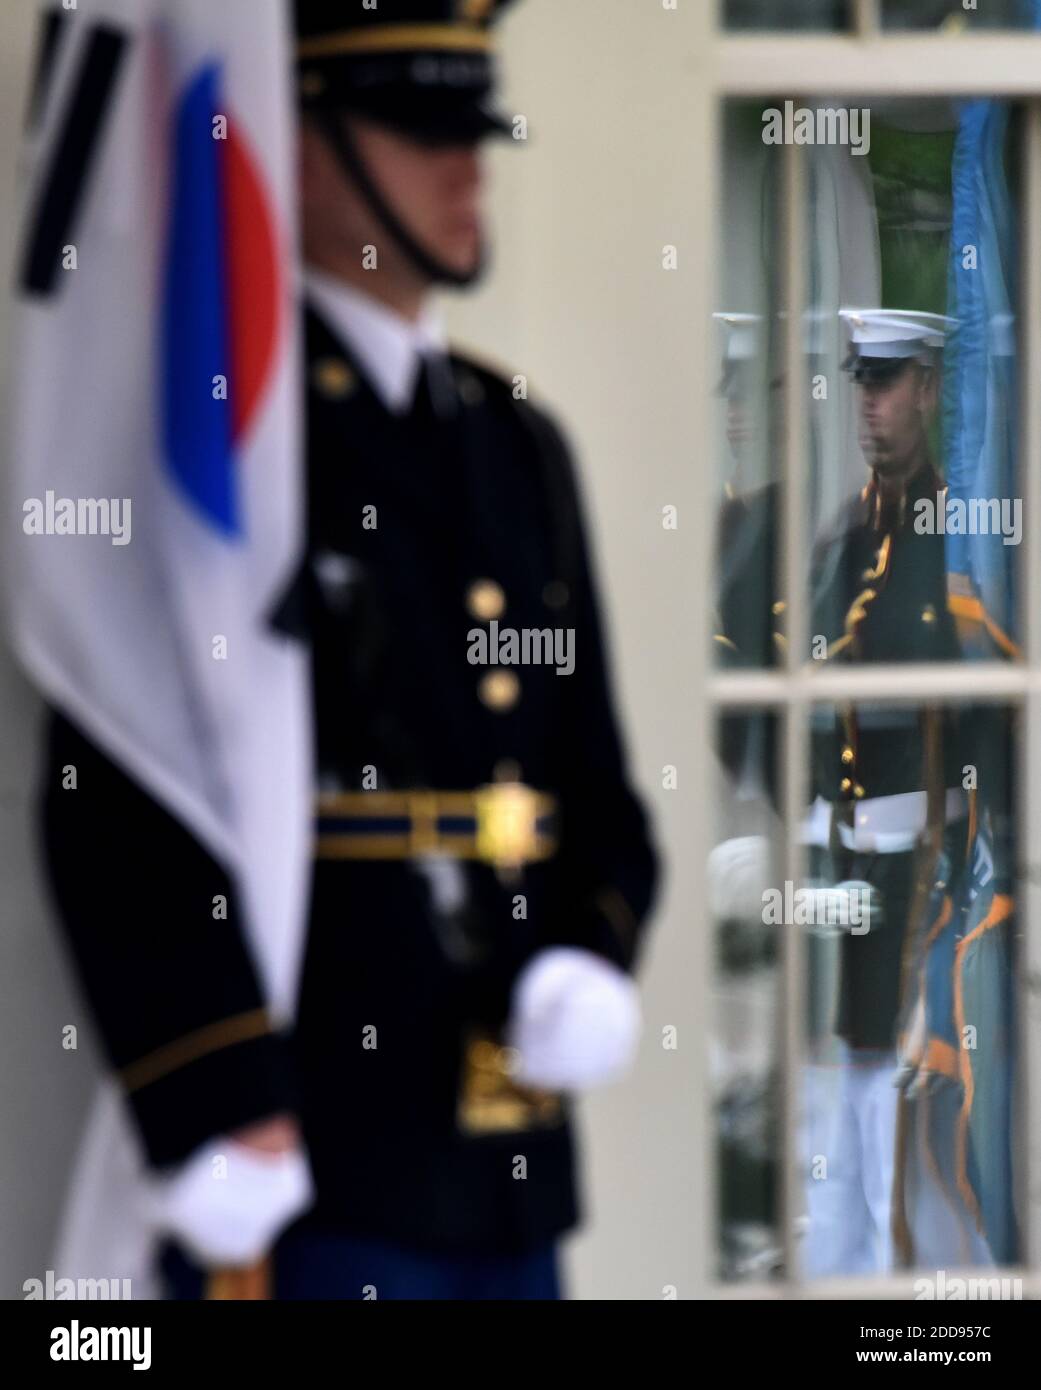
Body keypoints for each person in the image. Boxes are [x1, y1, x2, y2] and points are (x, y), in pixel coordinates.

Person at [40, 0, 658, 1301]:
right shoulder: (230, 448)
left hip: (505, 1149)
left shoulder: (512, 443)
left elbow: (592, 779)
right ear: (299, 143)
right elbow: (115, 761)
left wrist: (594, 948)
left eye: (473, 127)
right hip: (319, 1137)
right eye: (419, 126)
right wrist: (211, 1085)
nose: (466, 165)